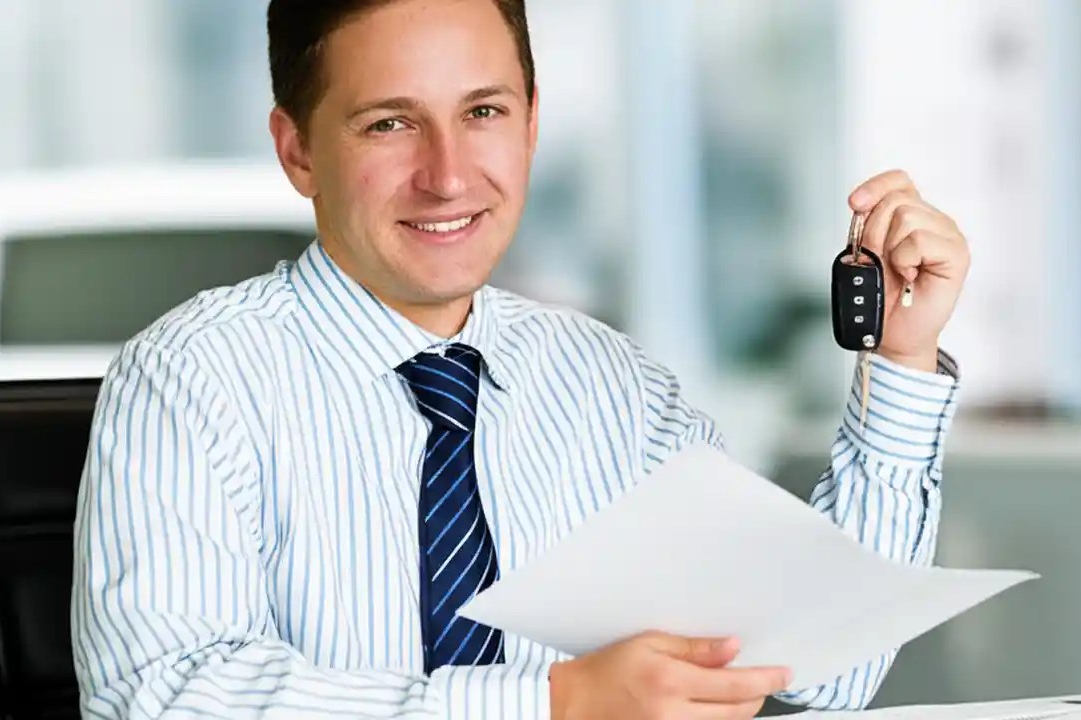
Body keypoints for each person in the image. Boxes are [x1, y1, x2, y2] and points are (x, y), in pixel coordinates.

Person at [70, 0, 970, 717]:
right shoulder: (191, 378)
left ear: (531, 123)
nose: (450, 174)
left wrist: (901, 356)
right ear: (298, 149)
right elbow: (165, 695)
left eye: (484, 112)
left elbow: (820, 671)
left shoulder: (609, 386)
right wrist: (553, 703)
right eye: (390, 125)